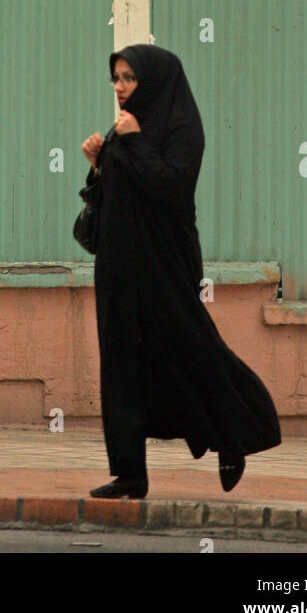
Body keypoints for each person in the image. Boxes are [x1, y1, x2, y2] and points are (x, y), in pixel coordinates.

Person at [80, 43, 281, 499]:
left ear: (154, 80)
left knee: (193, 352)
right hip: (117, 269)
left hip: (164, 267)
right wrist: (97, 168)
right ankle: (130, 473)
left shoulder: (181, 128)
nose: (120, 87)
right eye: (116, 78)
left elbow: (171, 187)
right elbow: (113, 201)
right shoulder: (122, 131)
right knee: (122, 368)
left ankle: (237, 434)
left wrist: (132, 141)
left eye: (129, 77)